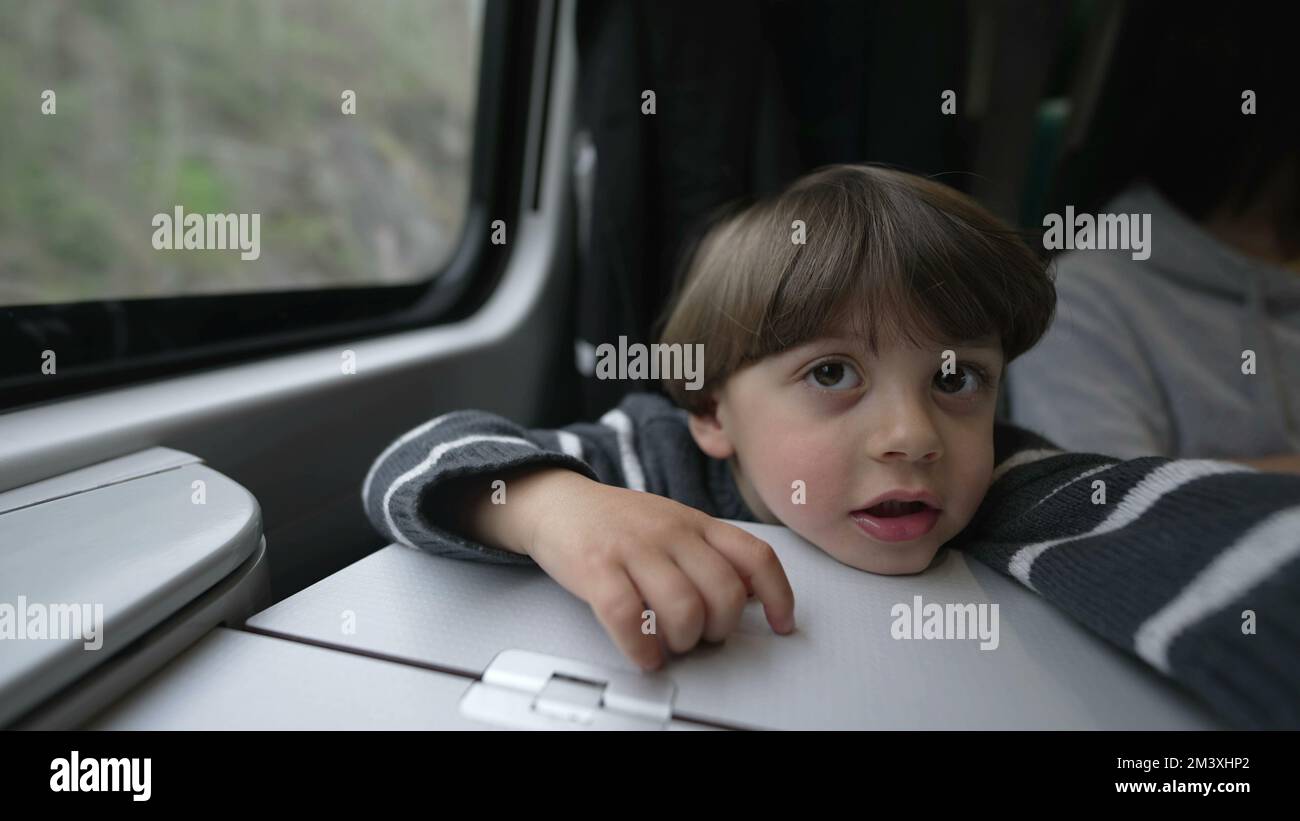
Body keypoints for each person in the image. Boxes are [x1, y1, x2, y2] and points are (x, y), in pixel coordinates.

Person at [363, 164, 1300, 728]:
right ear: (713, 411)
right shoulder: (647, 461)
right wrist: (553, 507)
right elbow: (409, 462)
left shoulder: (1006, 477)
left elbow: (1171, 523)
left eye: (955, 377)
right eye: (830, 374)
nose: (912, 435)